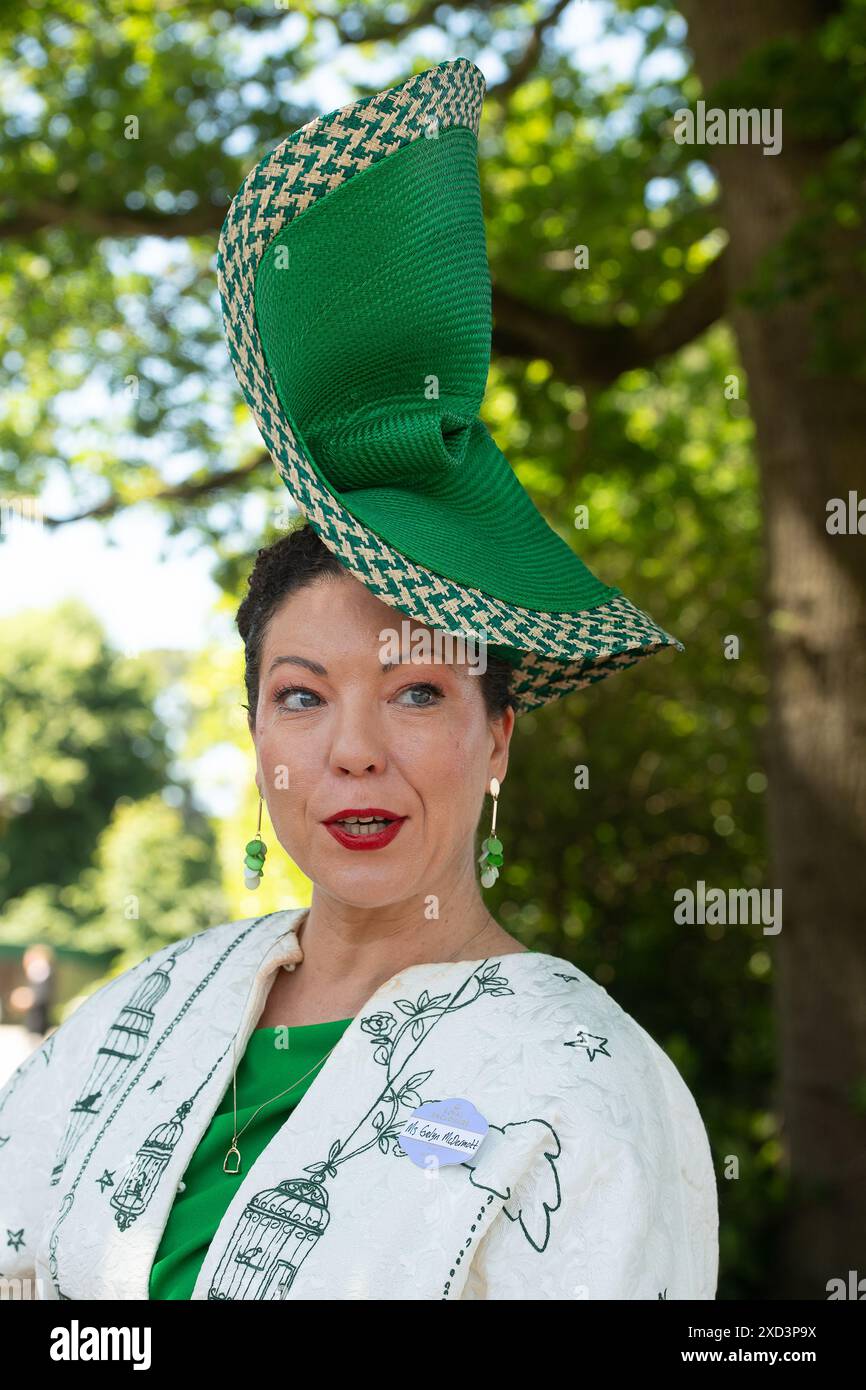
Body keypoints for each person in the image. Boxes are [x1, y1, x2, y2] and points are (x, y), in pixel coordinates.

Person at [0, 56, 717, 1301]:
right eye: (301, 693)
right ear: (253, 728)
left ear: (500, 737)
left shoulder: (578, 1083)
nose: (351, 749)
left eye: (420, 691)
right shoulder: (144, 1009)